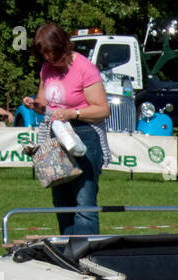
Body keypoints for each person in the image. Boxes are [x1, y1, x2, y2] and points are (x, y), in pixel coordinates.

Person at [22, 21, 112, 236]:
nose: (50, 59)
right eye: (45, 56)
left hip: (84, 135)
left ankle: (86, 251)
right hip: (55, 138)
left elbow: (103, 109)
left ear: (63, 46)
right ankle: (67, 249)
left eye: (53, 54)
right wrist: (35, 105)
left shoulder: (85, 69)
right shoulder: (47, 69)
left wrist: (73, 113)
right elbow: (44, 104)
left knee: (84, 201)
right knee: (61, 202)